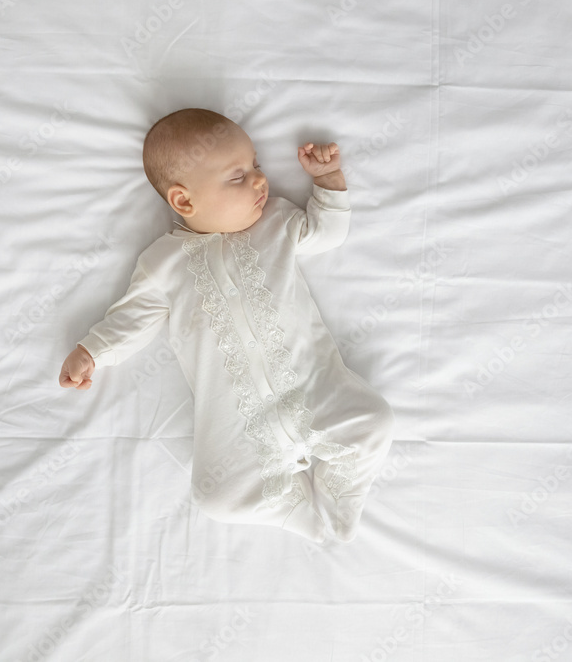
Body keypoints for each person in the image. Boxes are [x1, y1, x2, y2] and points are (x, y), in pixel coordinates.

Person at [59, 108, 394, 543]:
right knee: (216, 498)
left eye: (256, 165)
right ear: (184, 201)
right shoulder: (163, 263)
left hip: (314, 389)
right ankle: (303, 517)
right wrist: (92, 352)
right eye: (238, 177)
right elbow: (132, 317)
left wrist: (328, 180)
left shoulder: (276, 222)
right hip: (239, 424)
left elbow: (326, 233)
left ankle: (338, 505)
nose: (259, 180)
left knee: (374, 422)